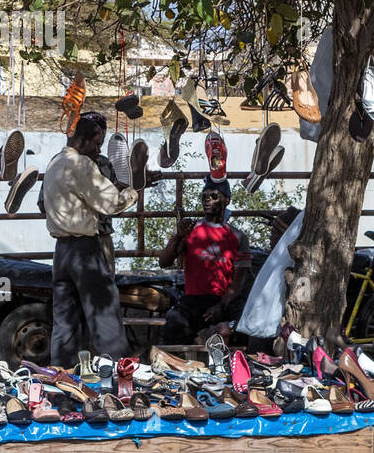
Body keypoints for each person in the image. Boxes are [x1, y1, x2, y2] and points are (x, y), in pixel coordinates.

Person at [43, 112, 140, 367]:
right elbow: (110, 203)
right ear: (82, 141)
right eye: (96, 144)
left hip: (61, 252)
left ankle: (61, 374)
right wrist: (132, 193)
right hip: (85, 250)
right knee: (104, 315)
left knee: (65, 322)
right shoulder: (82, 164)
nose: (98, 150)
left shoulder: (54, 162)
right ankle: (122, 372)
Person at [158, 178, 253, 344]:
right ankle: (179, 364)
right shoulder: (189, 230)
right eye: (204, 196)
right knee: (174, 322)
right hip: (194, 300)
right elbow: (164, 261)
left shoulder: (238, 236)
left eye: (214, 196)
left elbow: (238, 281)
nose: (207, 199)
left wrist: (221, 306)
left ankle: (237, 361)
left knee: (247, 327)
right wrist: (178, 237)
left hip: (225, 300)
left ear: (227, 200)